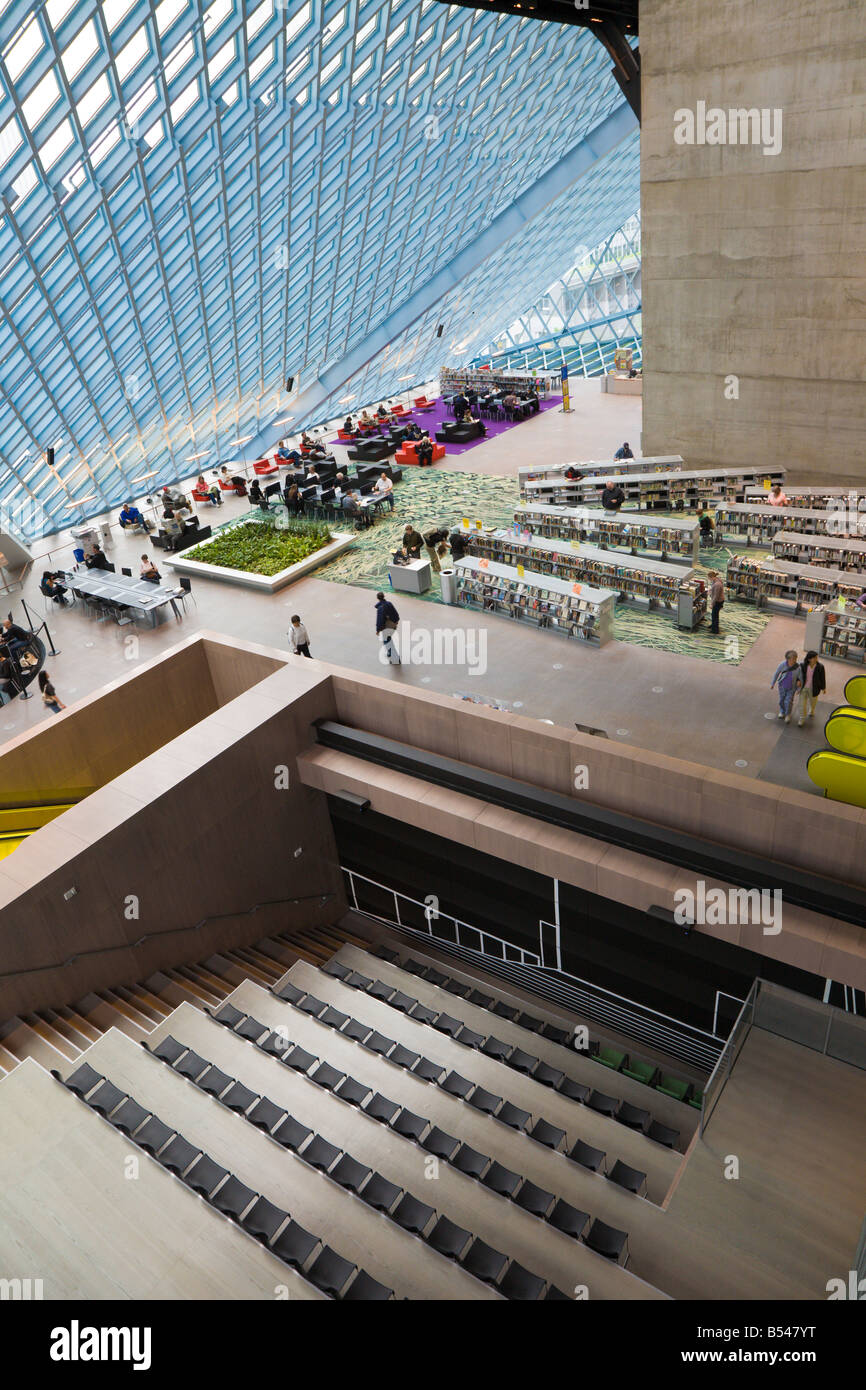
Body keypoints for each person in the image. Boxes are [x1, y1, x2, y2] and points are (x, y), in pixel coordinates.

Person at [771, 650, 802, 723]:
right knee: (782, 700)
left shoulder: (798, 667)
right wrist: (773, 683)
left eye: (795, 659)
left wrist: (799, 688)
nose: (794, 661)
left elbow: (800, 678)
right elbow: (777, 673)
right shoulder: (782, 665)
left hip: (792, 688)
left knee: (788, 701)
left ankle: (788, 714)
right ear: (787, 659)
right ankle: (782, 711)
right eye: (792, 659)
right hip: (782, 686)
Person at [797, 650, 826, 726]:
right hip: (803, 688)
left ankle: (812, 710)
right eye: (814, 658)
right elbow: (798, 675)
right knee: (802, 704)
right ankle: (801, 718)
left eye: (816, 657)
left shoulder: (820, 667)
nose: (816, 659)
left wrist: (823, 688)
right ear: (809, 659)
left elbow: (822, 678)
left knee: (813, 702)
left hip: (814, 689)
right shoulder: (802, 665)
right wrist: (798, 681)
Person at [375, 591, 400, 665]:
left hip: (387, 627)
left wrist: (378, 630)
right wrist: (396, 621)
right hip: (393, 625)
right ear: (384, 596)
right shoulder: (389, 604)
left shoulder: (380, 608)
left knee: (387, 642)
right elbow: (396, 614)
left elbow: (380, 620)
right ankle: (390, 653)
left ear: (377, 598)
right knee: (388, 640)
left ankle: (395, 658)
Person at [707, 569, 725, 634]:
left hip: (718, 601)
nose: (708, 579)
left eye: (709, 578)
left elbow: (716, 596)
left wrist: (712, 604)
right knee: (713, 614)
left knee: (715, 615)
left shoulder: (717, 584)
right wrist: (711, 591)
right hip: (719, 600)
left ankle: (715, 630)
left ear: (711, 577)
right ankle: (713, 625)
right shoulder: (716, 580)